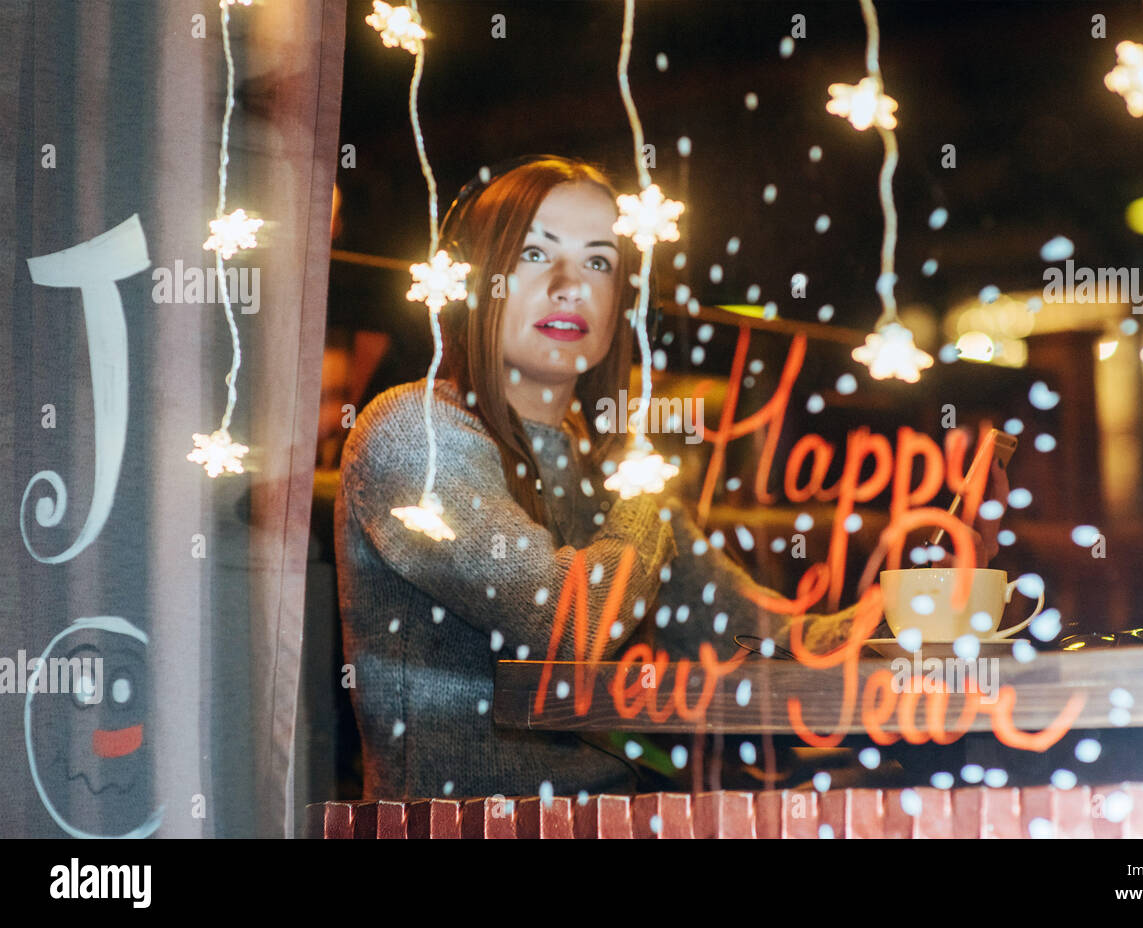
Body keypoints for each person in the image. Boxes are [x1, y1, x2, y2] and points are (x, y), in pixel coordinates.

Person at [334, 155, 1007, 801]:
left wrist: (914, 601)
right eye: (534, 253)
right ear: (479, 281)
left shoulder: (610, 465)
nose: (571, 283)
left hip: (615, 818)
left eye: (599, 260)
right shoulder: (412, 431)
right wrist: (645, 481)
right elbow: (568, 627)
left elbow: (753, 633)